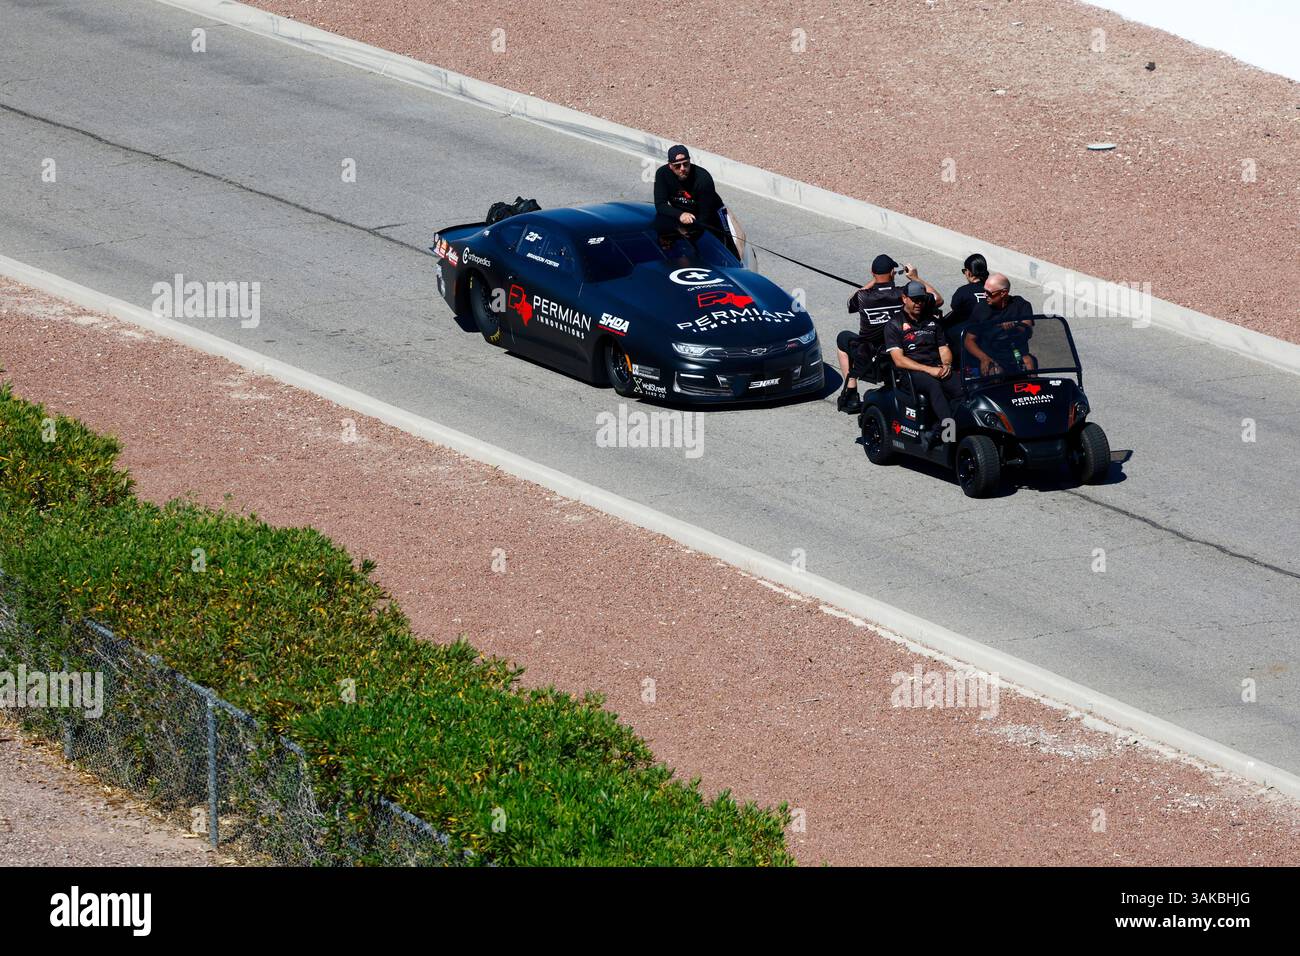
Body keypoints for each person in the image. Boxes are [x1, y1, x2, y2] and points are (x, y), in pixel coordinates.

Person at [835, 255, 943, 413]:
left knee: (842, 338)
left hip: (869, 357)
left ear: (872, 272)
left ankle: (851, 390)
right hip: (900, 352)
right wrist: (915, 278)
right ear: (893, 272)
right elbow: (938, 299)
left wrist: (875, 280)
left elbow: (850, 301)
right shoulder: (904, 296)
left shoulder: (863, 297)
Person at [884, 280, 962, 447]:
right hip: (911, 372)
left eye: (921, 299)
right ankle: (950, 437)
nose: (919, 303)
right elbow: (898, 359)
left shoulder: (932, 322)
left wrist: (947, 365)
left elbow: (944, 348)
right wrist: (929, 370)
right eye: (915, 299)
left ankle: (941, 428)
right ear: (904, 298)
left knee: (962, 387)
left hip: (936, 367)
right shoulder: (894, 324)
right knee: (933, 385)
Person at [653, 145, 738, 257]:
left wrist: (690, 232)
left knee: (727, 247)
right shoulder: (662, 174)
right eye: (677, 166)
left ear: (689, 162)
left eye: (685, 164)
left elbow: (705, 216)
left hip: (710, 212)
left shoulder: (703, 178)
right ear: (670, 166)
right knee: (660, 228)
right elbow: (660, 204)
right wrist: (680, 215)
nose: (682, 168)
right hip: (683, 213)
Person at [962, 273, 1037, 376]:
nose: (985, 295)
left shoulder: (1021, 305)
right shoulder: (981, 309)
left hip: (1017, 354)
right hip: (992, 356)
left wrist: (1015, 325)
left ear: (1003, 293)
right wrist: (983, 358)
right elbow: (968, 340)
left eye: (989, 293)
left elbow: (1027, 326)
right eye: (984, 291)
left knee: (1028, 363)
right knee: (995, 373)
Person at [947, 253, 989, 328]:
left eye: (964, 271)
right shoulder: (994, 289)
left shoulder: (963, 291)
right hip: (991, 328)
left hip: (969, 331)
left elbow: (954, 307)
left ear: (969, 272)